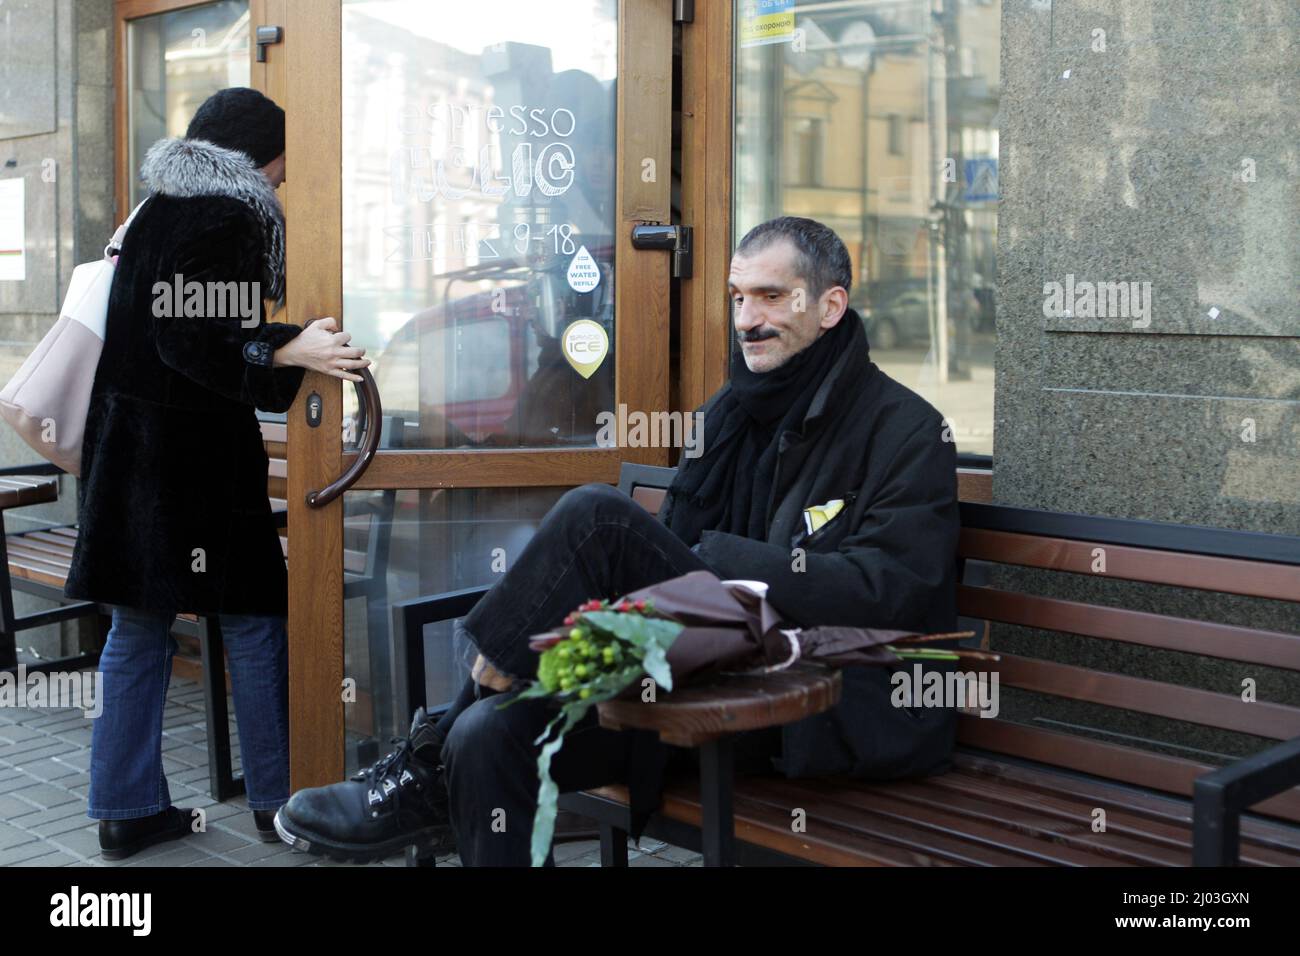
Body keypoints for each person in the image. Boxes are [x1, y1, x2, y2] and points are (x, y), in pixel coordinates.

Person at [274, 216, 960, 866]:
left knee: (598, 517)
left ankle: (422, 768)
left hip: (813, 703)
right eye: (738, 296)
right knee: (486, 736)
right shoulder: (728, 411)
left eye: (772, 296)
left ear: (831, 305)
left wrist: (724, 562)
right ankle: (443, 754)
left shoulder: (905, 430)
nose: (748, 319)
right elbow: (667, 568)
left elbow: (892, 592)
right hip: (695, 675)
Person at [64, 88, 370, 860]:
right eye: (279, 167)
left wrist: (271, 348)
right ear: (254, 156)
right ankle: (279, 802)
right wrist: (287, 351)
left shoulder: (159, 207)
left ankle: (126, 809)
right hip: (191, 467)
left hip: (132, 456)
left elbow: (178, 326)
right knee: (255, 620)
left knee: (136, 630)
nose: (281, 181)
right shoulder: (228, 213)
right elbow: (191, 335)